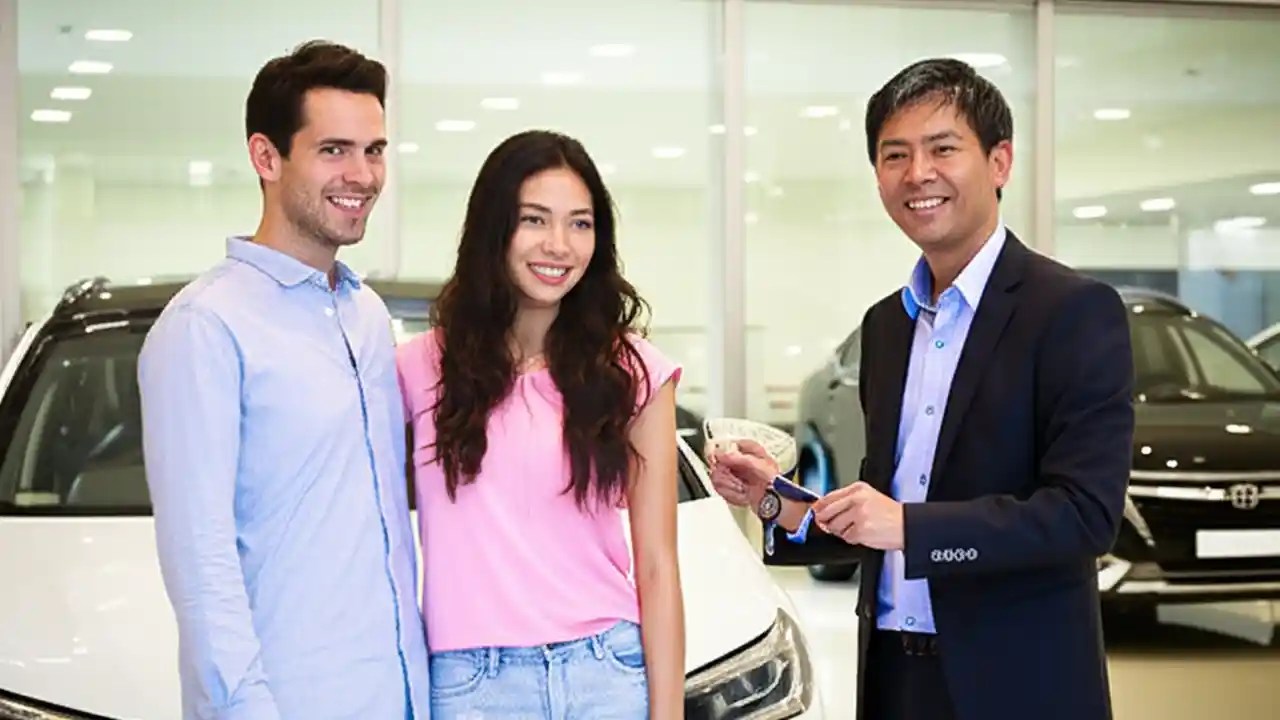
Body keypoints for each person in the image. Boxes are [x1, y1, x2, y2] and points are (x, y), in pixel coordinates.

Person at [708, 58, 1134, 720]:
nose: (917, 174)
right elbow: (883, 513)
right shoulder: (886, 325)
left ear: (1000, 162)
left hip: (1018, 680)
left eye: (943, 149)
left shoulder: (1072, 311)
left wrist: (908, 525)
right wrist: (780, 504)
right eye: (894, 154)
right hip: (893, 677)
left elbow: (1084, 515)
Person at [138, 41, 429, 719]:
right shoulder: (205, 327)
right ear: (267, 157)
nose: (362, 174)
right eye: (334, 150)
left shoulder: (364, 313)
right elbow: (200, 560)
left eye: (375, 149)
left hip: (400, 696)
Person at [396, 129, 685, 719]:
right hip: (472, 684)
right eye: (535, 219)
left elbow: (657, 564)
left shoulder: (633, 372)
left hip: (606, 673)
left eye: (581, 223)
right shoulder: (417, 369)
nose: (559, 245)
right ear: (493, 229)